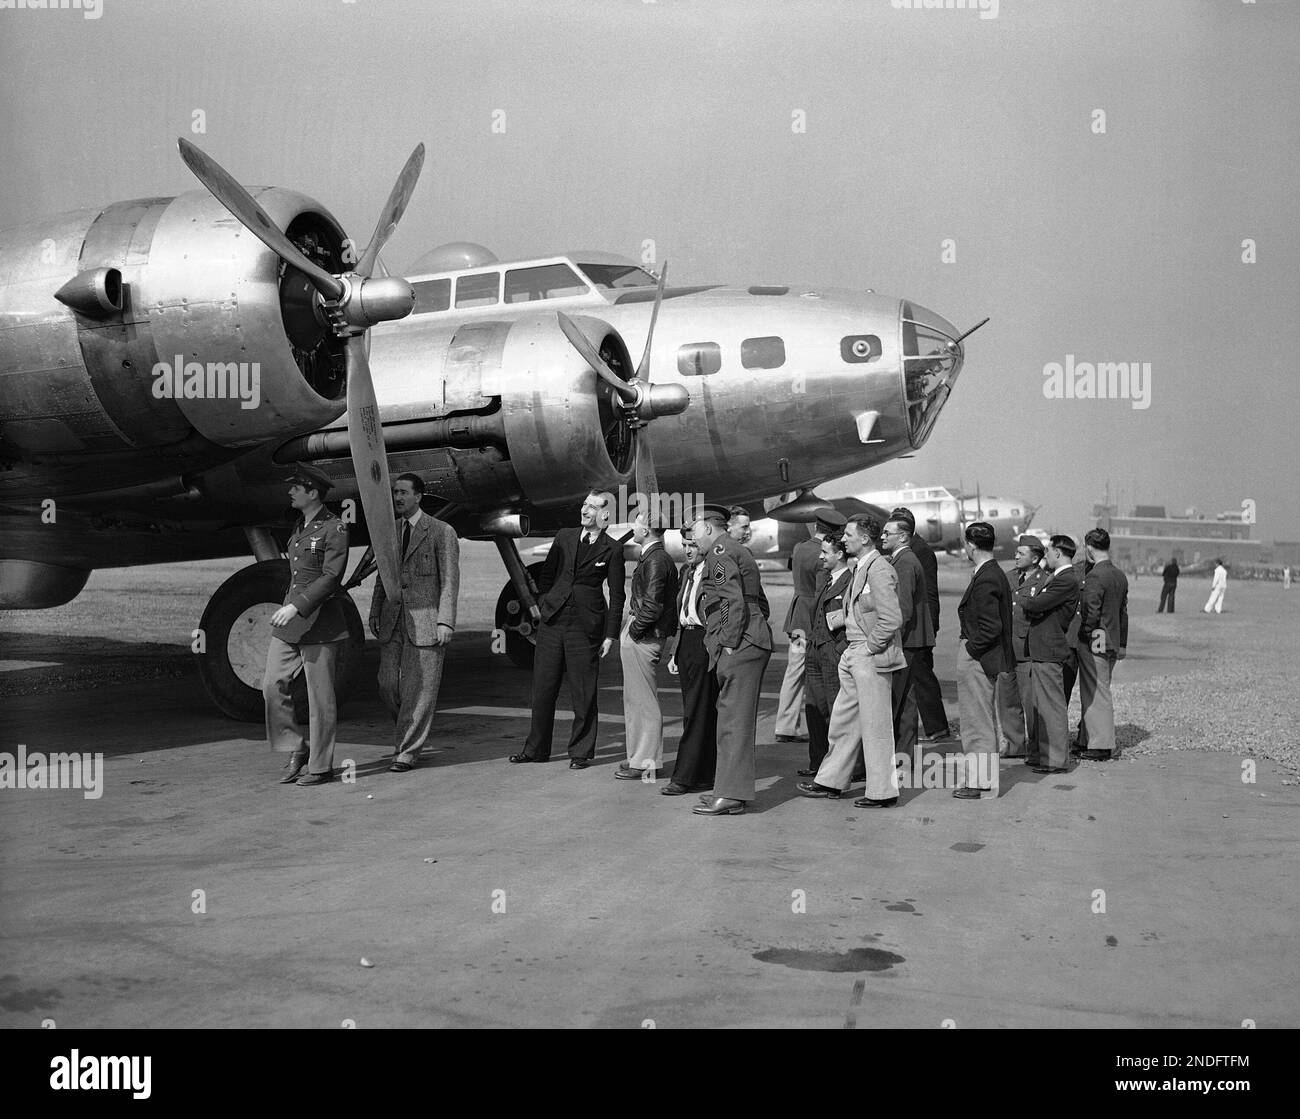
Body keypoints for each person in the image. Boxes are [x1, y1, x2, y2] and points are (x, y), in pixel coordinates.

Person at [509, 491, 626, 769]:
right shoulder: (564, 536)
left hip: (585, 628)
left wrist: (610, 635)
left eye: (593, 507)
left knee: (583, 692)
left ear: (605, 515)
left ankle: (581, 752)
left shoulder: (613, 548)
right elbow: (548, 574)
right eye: (585, 504)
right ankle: (536, 749)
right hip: (552, 622)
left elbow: (618, 594)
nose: (585, 510)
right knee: (543, 688)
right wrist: (544, 602)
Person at [797, 515, 905, 808]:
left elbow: (892, 618)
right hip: (853, 654)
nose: (842, 540)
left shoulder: (879, 569)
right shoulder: (860, 567)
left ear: (865, 539)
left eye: (847, 535)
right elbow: (855, 611)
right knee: (843, 722)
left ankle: (883, 792)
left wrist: (869, 647)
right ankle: (831, 781)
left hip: (870, 655)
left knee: (876, 727)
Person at [263, 464, 349, 787]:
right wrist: (290, 608)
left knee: (320, 698)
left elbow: (331, 577)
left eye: (296, 488)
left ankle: (321, 767)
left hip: (320, 622)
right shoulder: (299, 527)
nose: (290, 492)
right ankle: (295, 748)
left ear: (313, 493)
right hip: (291, 621)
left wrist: (295, 607)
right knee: (272, 685)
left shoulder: (335, 528)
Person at [368, 473, 459, 773]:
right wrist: (374, 611)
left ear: (419, 496)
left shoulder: (441, 531)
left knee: (419, 690)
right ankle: (408, 728)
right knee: (386, 685)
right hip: (392, 619)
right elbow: (384, 576)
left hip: (427, 622)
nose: (398, 498)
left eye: (404, 492)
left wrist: (445, 621)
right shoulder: (389, 532)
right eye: (395, 492)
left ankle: (406, 751)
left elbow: (449, 580)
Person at [691, 507, 773, 816]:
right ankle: (728, 789)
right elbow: (758, 601)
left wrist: (728, 642)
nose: (691, 537)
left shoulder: (720, 551)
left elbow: (731, 601)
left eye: (694, 530)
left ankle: (731, 794)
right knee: (730, 719)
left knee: (733, 721)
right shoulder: (735, 549)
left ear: (709, 529)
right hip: (748, 639)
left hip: (739, 644)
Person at [952, 522, 1015, 799]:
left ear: (971, 545)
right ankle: (980, 779)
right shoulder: (992, 573)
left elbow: (992, 627)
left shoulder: (987, 577)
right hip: (982, 656)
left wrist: (971, 650)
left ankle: (980, 782)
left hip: (979, 658)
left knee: (977, 723)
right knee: (979, 720)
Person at [617, 509, 679, 781]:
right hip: (643, 633)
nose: (633, 528)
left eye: (637, 524)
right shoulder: (655, 557)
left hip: (644, 635)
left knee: (644, 703)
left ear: (647, 530)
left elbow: (652, 605)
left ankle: (646, 762)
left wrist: (635, 631)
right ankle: (638, 757)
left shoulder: (655, 560)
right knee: (635, 701)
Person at [775, 512, 841, 742]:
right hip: (812, 619)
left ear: (816, 526)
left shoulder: (800, 548)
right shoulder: (823, 555)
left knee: (794, 670)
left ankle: (785, 725)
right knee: (812, 673)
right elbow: (823, 592)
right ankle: (797, 726)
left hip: (797, 617)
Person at [663, 523, 717, 796]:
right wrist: (675, 650)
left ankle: (683, 777)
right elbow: (680, 616)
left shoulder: (712, 571)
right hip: (687, 644)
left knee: (696, 712)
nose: (687, 550)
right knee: (699, 710)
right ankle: (705, 775)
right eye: (684, 545)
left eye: (693, 545)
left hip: (704, 643)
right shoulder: (687, 572)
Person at [1020, 535, 1081, 774]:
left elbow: (1036, 605)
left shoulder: (1065, 579)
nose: (1045, 556)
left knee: (1052, 707)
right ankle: (1046, 755)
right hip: (1043, 647)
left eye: (1048, 551)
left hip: (1050, 647)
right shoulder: (1059, 577)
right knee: (1042, 706)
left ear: (1057, 552)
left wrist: (1028, 600)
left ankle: (1055, 759)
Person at [891, 507, 951, 741]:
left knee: (922, 674)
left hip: (919, 624)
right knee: (918, 676)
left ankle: (937, 726)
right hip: (917, 624)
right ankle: (935, 727)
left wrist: (931, 624)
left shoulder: (919, 551)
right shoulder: (911, 549)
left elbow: (928, 593)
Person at [880, 516, 933, 776]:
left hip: (907, 641)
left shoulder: (903, 562)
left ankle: (899, 760)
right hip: (915, 641)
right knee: (908, 703)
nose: (882, 537)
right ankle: (904, 759)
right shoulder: (906, 560)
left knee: (899, 703)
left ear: (903, 536)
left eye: (887, 533)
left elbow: (902, 609)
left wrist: (887, 639)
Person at [800, 529, 853, 777]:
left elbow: (858, 614)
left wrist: (839, 648)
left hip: (833, 652)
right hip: (815, 650)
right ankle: (818, 763)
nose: (820, 557)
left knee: (836, 712)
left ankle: (840, 770)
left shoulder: (851, 580)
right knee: (815, 709)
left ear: (840, 554)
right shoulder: (826, 578)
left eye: (825, 552)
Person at [1074, 528, 1128, 762]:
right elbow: (1123, 613)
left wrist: (1085, 633)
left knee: (1096, 693)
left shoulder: (1096, 576)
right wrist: (1122, 643)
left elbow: (1091, 612)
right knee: (1097, 690)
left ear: (1089, 548)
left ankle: (1102, 745)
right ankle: (1087, 738)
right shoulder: (1119, 575)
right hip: (1113, 641)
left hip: (1096, 641)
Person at [995, 535, 1049, 760]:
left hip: (1029, 652)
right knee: (1007, 700)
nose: (1016, 555)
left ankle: (1037, 748)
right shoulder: (1008, 578)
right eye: (1016, 552)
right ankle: (1015, 745)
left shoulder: (1045, 581)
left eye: (1021, 553)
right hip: (1007, 649)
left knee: (1031, 703)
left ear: (1035, 558)